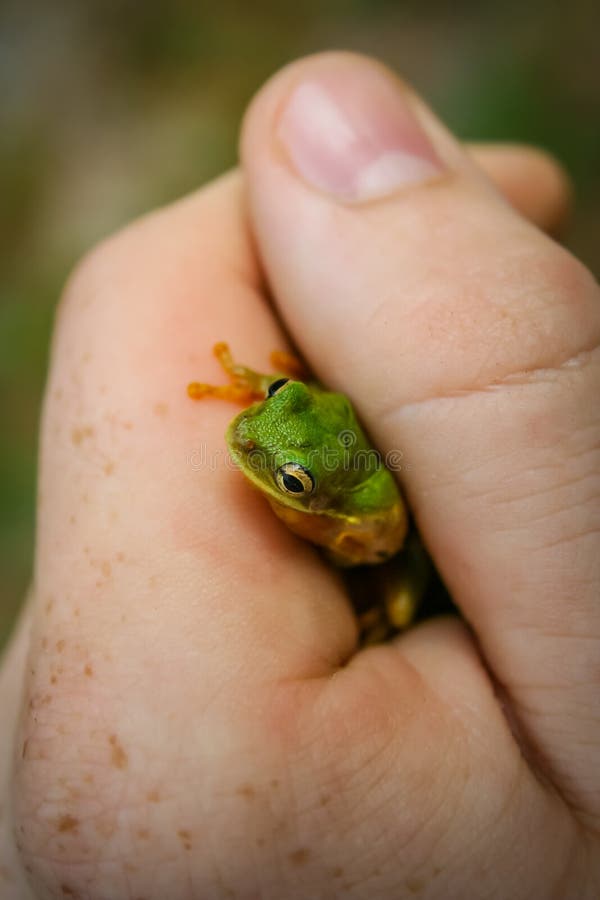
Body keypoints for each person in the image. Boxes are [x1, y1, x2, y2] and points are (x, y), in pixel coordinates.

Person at [1, 52, 598, 900]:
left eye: (281, 477)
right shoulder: (308, 421)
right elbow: (318, 406)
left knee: (396, 601)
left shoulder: (355, 521)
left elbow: (377, 539)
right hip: (340, 448)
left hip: (388, 548)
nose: (244, 441)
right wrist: (270, 384)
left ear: (310, 498)